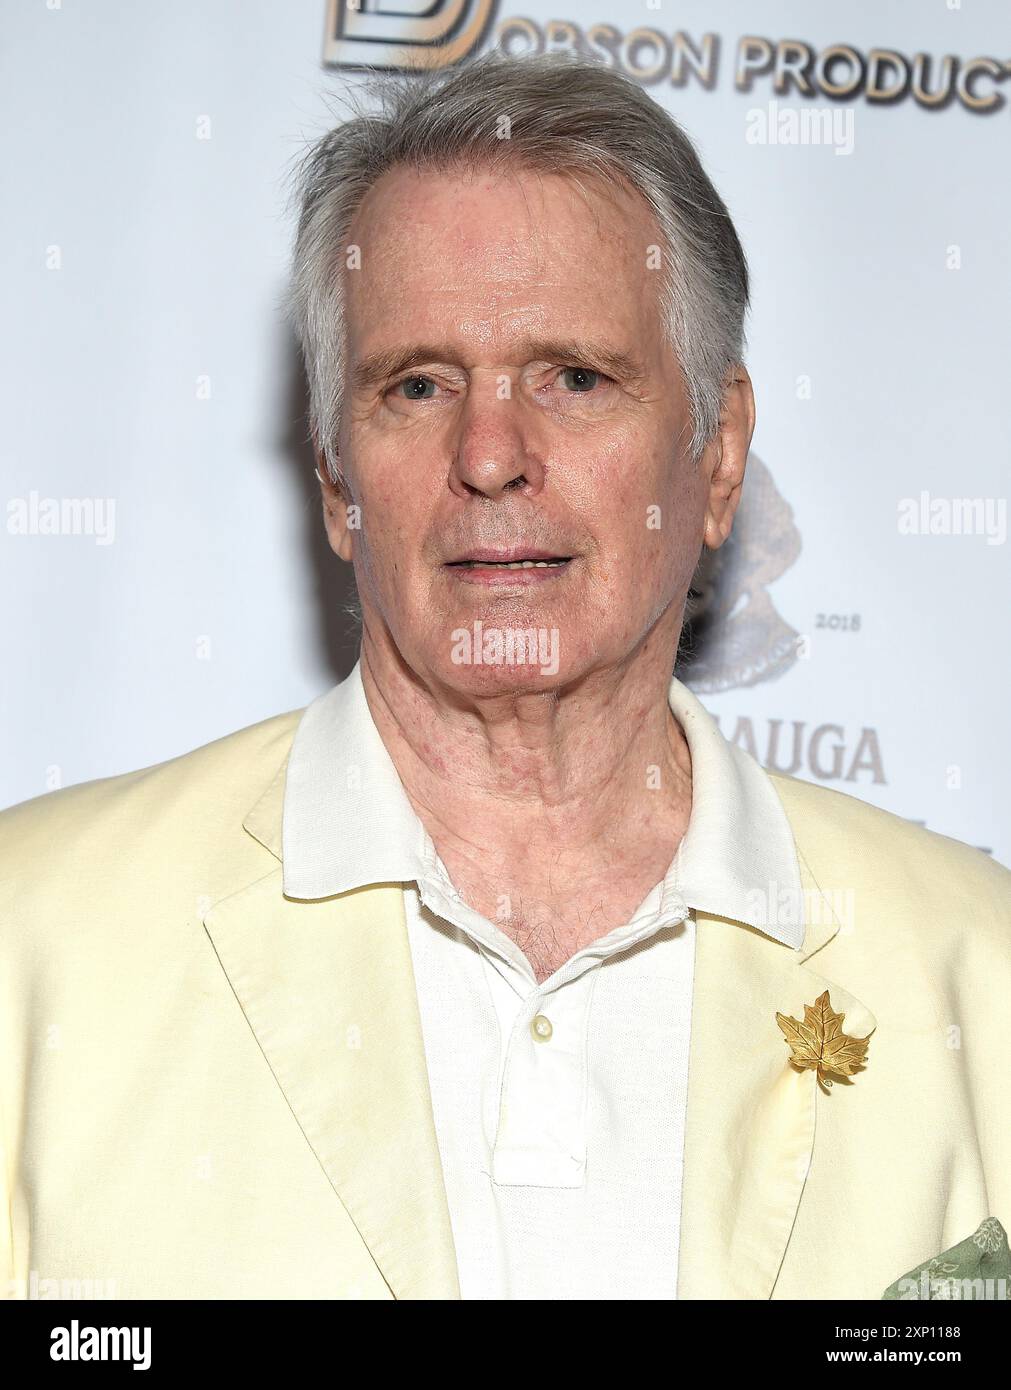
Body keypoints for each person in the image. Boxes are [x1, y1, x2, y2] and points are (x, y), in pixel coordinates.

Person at [2, 51, 1008, 1302]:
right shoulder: (31, 942)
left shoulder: (978, 972)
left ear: (719, 454)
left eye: (574, 377)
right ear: (333, 480)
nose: (489, 456)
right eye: (416, 385)